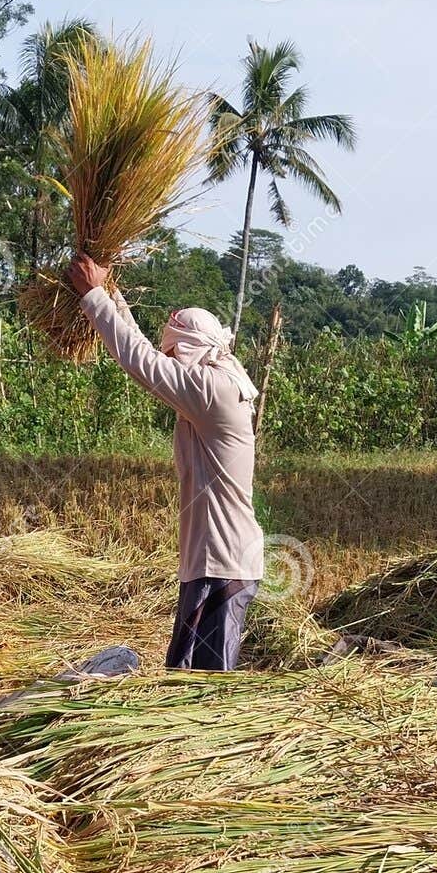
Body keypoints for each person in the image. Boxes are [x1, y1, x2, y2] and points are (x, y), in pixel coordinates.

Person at [67, 253, 264, 672]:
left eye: (173, 352)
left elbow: (141, 361)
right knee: (185, 675)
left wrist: (94, 297)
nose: (169, 359)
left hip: (221, 563)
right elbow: (144, 350)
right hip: (213, 562)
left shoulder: (212, 388)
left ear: (191, 350)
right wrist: (110, 293)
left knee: (203, 689)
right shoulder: (217, 377)